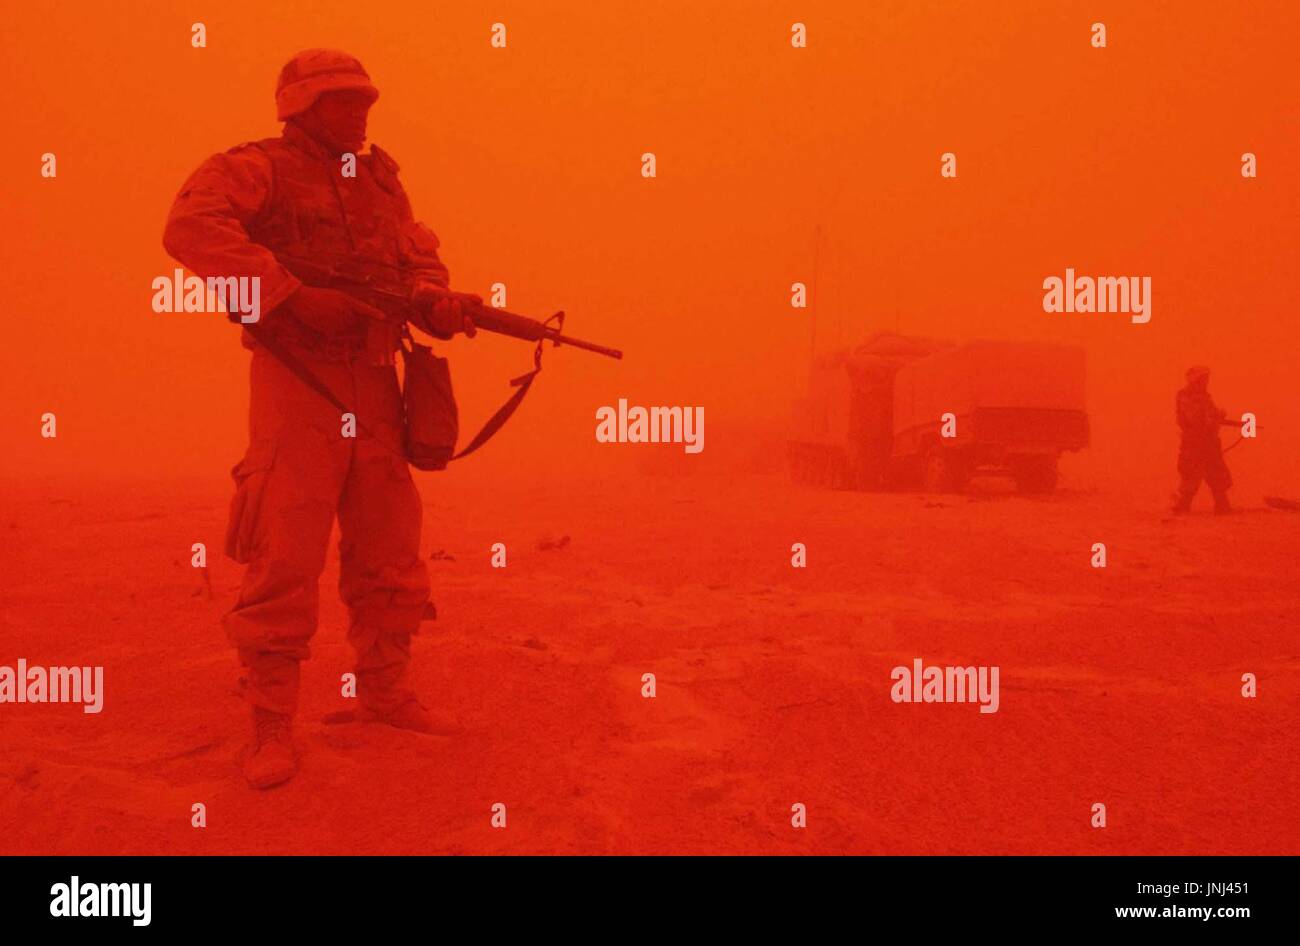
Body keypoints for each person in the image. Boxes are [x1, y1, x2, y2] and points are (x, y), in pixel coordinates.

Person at [163, 49, 473, 788]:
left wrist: (436, 299)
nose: (361, 113)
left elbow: (416, 264)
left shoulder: (379, 185)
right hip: (297, 380)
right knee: (285, 550)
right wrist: (291, 295)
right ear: (300, 107)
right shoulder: (256, 168)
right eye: (343, 102)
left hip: (374, 381)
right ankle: (271, 727)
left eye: (365, 100)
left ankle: (385, 694)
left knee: (391, 547)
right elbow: (189, 227)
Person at [1172, 365, 1233, 515]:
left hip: (1209, 442)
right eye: (1203, 378)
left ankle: (1222, 506)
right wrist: (1210, 417)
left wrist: (1218, 415)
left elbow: (1211, 414)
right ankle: (1182, 507)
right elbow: (1192, 418)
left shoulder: (1205, 396)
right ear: (1195, 380)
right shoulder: (1185, 395)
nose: (1206, 381)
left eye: (1206, 378)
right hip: (1193, 443)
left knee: (1217, 473)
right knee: (1190, 475)